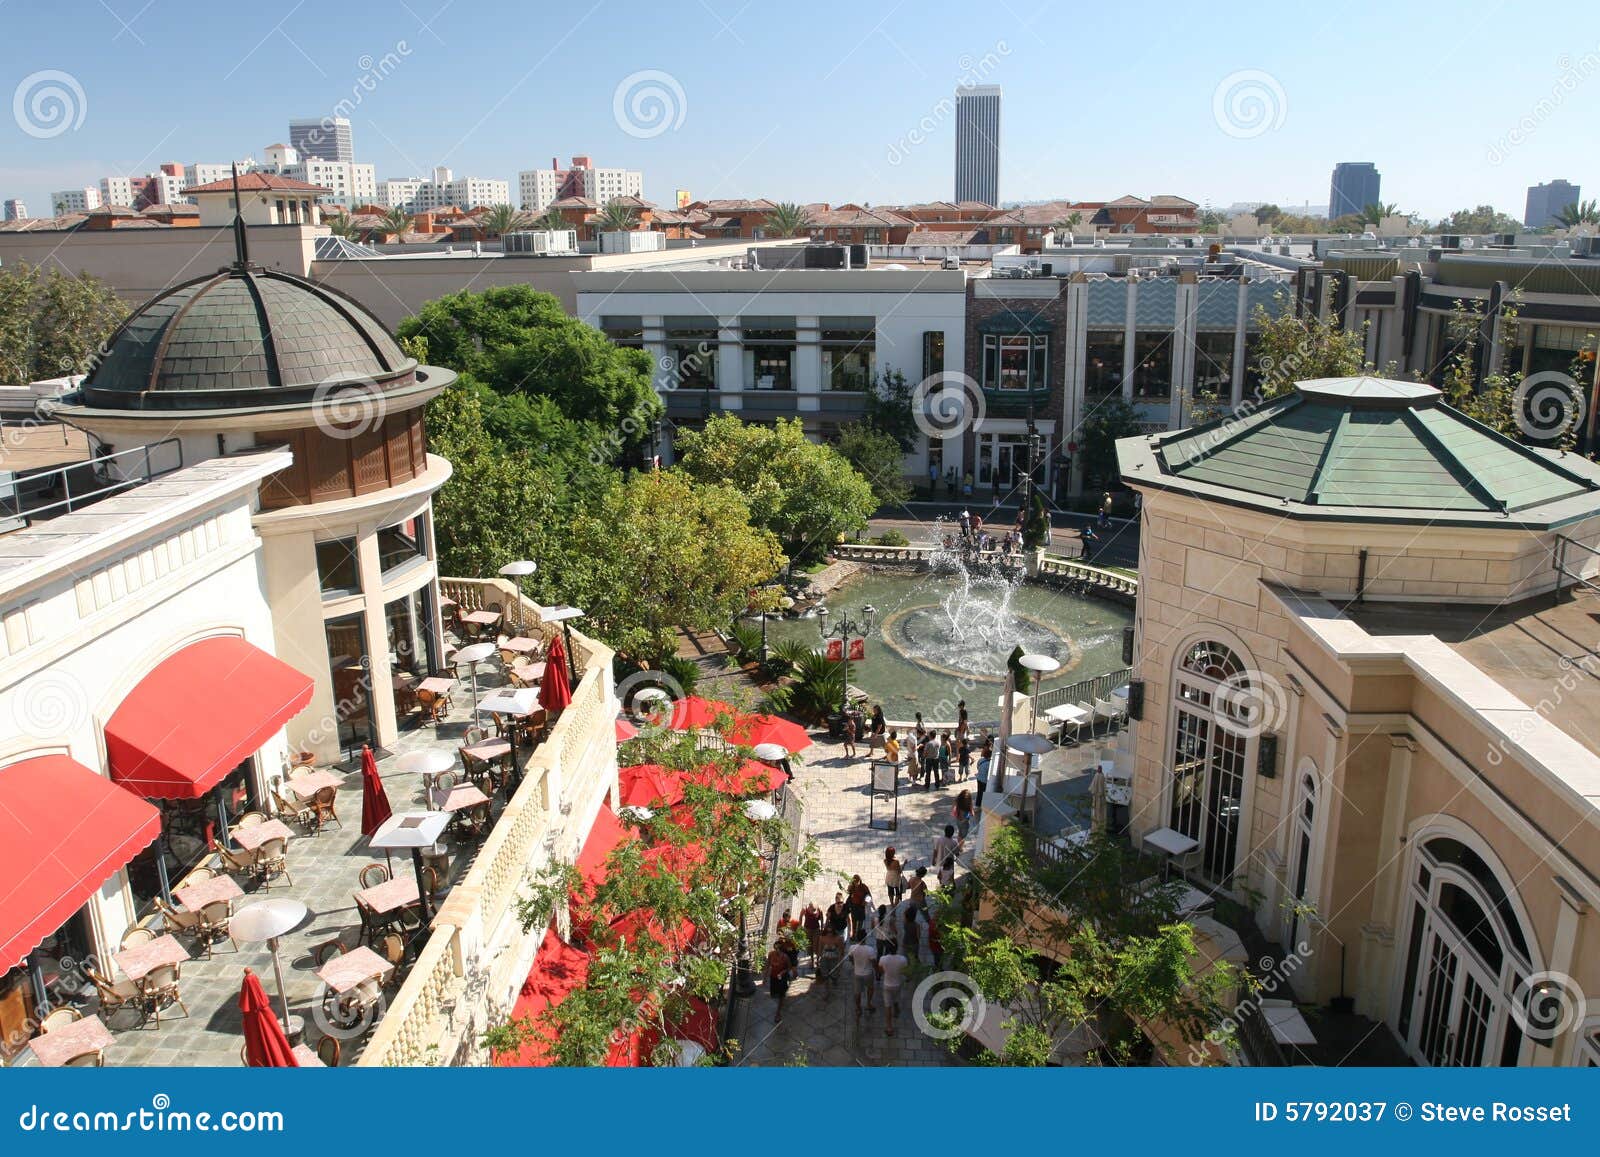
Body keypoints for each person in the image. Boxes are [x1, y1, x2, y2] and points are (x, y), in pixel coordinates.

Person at [846, 929, 877, 1018]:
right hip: (868, 973)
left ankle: (858, 1008)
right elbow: (874, 962)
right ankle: (868, 1003)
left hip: (857, 973)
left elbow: (850, 958)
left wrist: (854, 964)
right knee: (870, 988)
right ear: (866, 937)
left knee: (857, 992)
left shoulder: (852, 948)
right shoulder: (870, 950)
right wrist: (877, 970)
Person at [878, 945, 908, 1036]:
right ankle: (896, 1009)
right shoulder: (902, 959)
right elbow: (905, 970)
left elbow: (880, 971)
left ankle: (889, 1026)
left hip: (887, 984)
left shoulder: (883, 959)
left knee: (887, 1006)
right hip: (898, 983)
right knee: (896, 997)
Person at [766, 941, 792, 1023]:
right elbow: (767, 965)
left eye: (778, 949)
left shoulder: (785, 957)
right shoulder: (771, 954)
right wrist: (764, 977)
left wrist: (782, 973)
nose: (777, 950)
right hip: (773, 977)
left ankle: (778, 1013)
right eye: (775, 948)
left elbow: (789, 968)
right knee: (775, 994)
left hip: (782, 978)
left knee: (781, 995)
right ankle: (781, 1002)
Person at [800, 901, 824, 970]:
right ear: (809, 907)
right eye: (812, 910)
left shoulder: (819, 909)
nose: (814, 911)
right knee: (809, 946)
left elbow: (822, 918)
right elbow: (800, 917)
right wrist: (800, 927)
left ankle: (818, 960)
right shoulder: (804, 909)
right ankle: (812, 960)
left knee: (816, 946)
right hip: (807, 929)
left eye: (815, 910)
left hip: (816, 930)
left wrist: (822, 928)